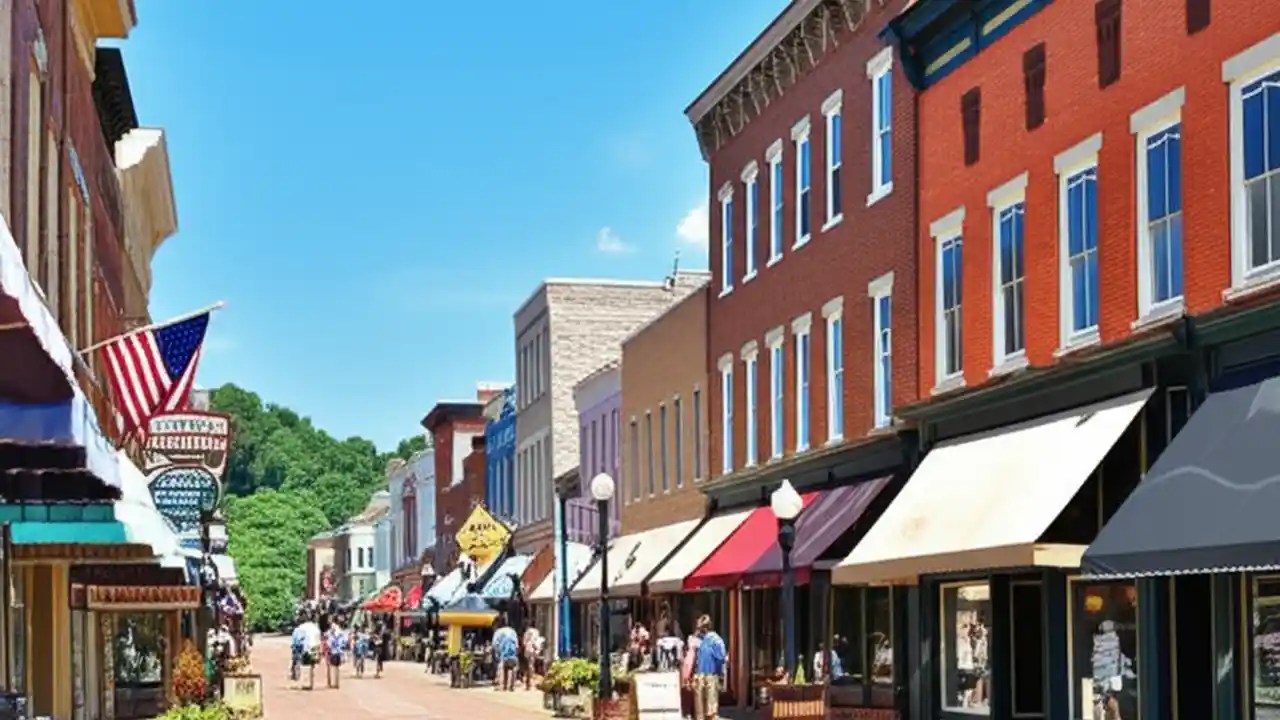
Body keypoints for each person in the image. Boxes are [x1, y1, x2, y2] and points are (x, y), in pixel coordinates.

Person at [692, 615, 726, 720]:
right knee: (705, 712)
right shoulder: (703, 641)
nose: (698, 631)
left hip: (709, 676)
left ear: (705, 628)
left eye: (700, 628)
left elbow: (721, 658)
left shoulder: (715, 641)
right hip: (705, 676)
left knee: (706, 712)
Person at [492, 618, 520, 692]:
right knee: (512, 670)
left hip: (502, 654)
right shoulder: (512, 631)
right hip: (512, 654)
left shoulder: (498, 632)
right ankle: (511, 686)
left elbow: (494, 644)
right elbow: (516, 645)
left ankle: (502, 686)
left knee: (502, 670)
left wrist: (496, 655)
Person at [297, 614, 323, 691]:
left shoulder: (301, 628)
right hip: (314, 647)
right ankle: (311, 683)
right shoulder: (315, 627)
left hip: (305, 647)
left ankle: (305, 683)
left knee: (304, 665)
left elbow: (299, 639)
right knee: (312, 666)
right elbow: (318, 639)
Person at [326, 620, 349, 689]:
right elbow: (345, 642)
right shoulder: (341, 634)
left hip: (333, 652)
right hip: (339, 652)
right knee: (337, 669)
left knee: (332, 668)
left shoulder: (331, 635)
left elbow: (329, 644)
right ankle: (337, 683)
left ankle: (333, 683)